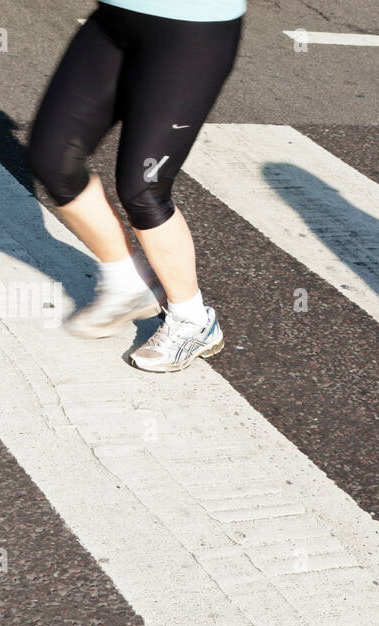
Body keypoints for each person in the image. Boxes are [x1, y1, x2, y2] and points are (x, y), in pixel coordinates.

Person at [26, 0, 246, 372]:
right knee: (52, 159)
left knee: (143, 187)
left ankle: (193, 320)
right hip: (115, 19)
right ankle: (127, 283)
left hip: (191, 29)